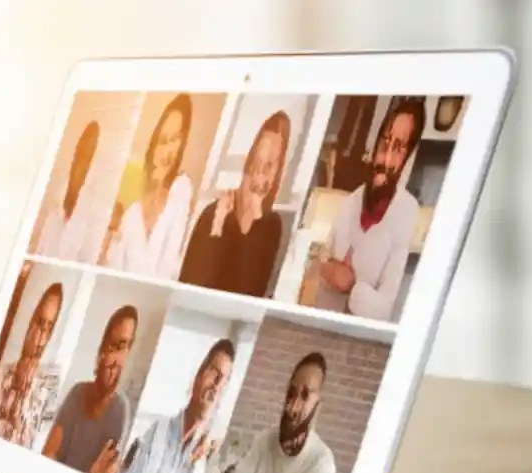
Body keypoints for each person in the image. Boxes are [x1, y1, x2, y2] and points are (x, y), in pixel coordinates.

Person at [312, 97, 425, 321]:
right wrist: (327, 269)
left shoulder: (407, 211)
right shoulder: (349, 203)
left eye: (399, 148)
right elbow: (317, 263)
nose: (386, 158)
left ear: (408, 157)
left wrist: (352, 287)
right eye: (384, 142)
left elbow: (384, 308)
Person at [104, 338, 234, 473]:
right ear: (198, 376)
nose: (217, 384)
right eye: (214, 372)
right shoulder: (154, 432)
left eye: (224, 380)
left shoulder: (201, 463)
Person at [179, 111, 291, 297]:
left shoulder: (271, 226)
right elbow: (191, 281)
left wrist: (256, 219)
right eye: (258, 160)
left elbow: (251, 290)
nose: (260, 171)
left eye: (271, 165)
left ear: (277, 172)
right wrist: (217, 228)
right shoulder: (214, 212)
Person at [106, 94, 195, 280]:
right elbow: (114, 260)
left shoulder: (182, 188)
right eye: (163, 139)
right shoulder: (133, 189)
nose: (168, 149)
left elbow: (170, 265)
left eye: (175, 138)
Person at [42, 305, 138, 473]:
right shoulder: (77, 393)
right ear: (102, 350)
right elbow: (49, 453)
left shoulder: (120, 409)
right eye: (112, 347)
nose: (114, 358)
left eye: (123, 347)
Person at [0, 283, 64, 448]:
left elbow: (34, 449)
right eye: (39, 323)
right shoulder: (1, 375)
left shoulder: (50, 389)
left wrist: (25, 395)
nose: (39, 338)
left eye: (48, 329)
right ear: (30, 324)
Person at [35, 122, 100, 263]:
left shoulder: (91, 201)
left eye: (90, 148)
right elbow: (45, 236)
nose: (84, 151)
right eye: (83, 145)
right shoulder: (60, 186)